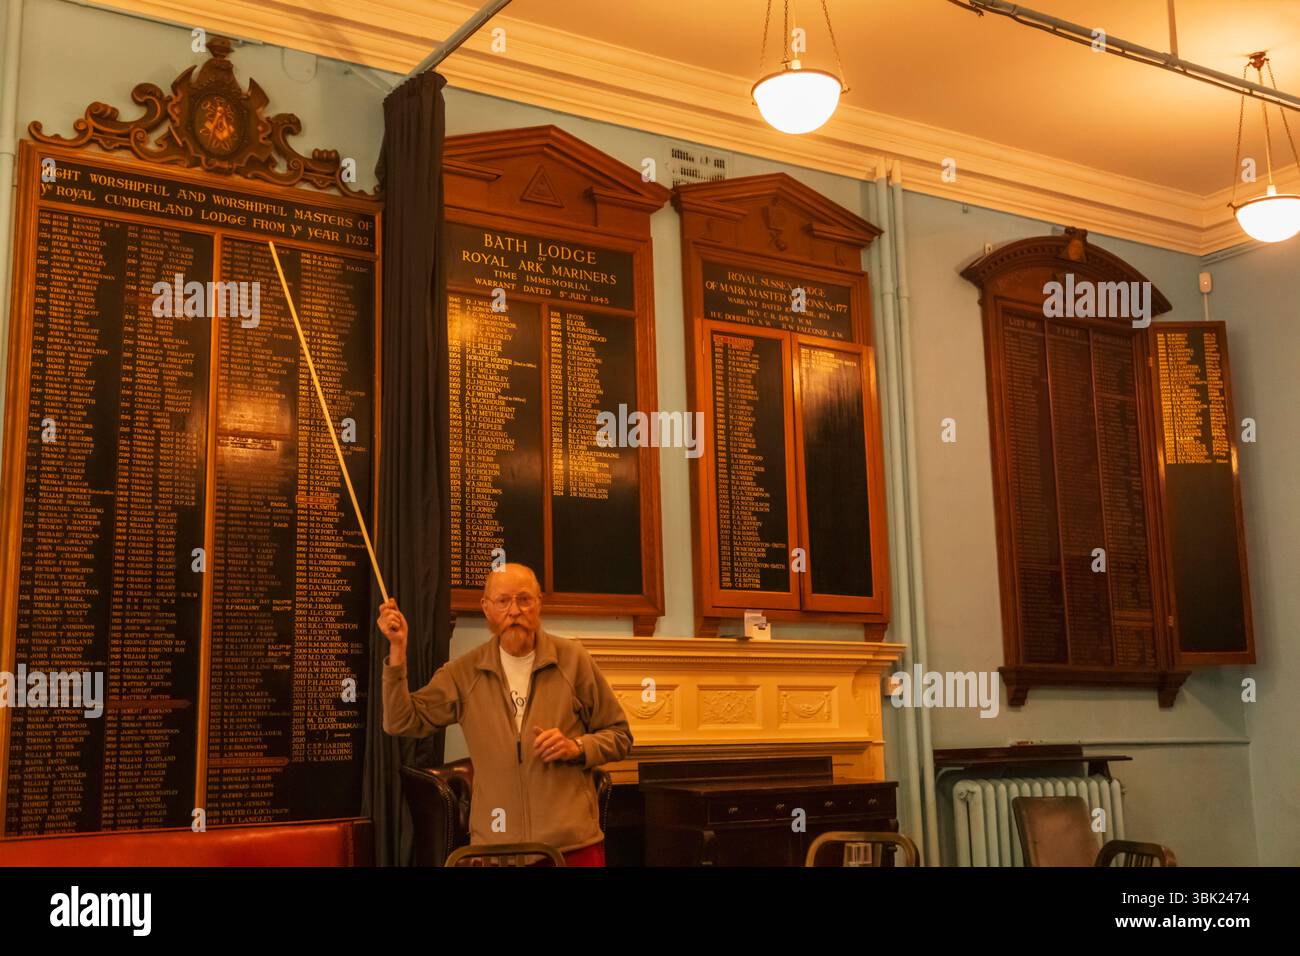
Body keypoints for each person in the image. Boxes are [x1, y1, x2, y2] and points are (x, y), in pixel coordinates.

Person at [378, 563, 632, 866]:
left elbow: (620, 736)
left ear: (539, 604)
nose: (515, 611)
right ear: (487, 608)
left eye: (524, 599)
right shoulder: (464, 672)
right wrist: (397, 650)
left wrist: (576, 747)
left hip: (571, 848)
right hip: (495, 852)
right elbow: (399, 720)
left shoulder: (573, 661)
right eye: (503, 601)